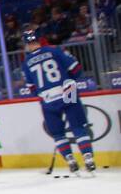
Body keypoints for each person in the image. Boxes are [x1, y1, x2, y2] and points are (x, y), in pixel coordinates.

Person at [21, 26, 95, 175]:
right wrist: (68, 81)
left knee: (58, 134)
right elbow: (76, 69)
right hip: (67, 89)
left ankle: (70, 160)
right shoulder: (54, 51)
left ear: (26, 44)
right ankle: (88, 158)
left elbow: (32, 89)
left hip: (47, 97)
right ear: (39, 40)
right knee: (79, 126)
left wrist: (45, 92)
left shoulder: (26, 63)